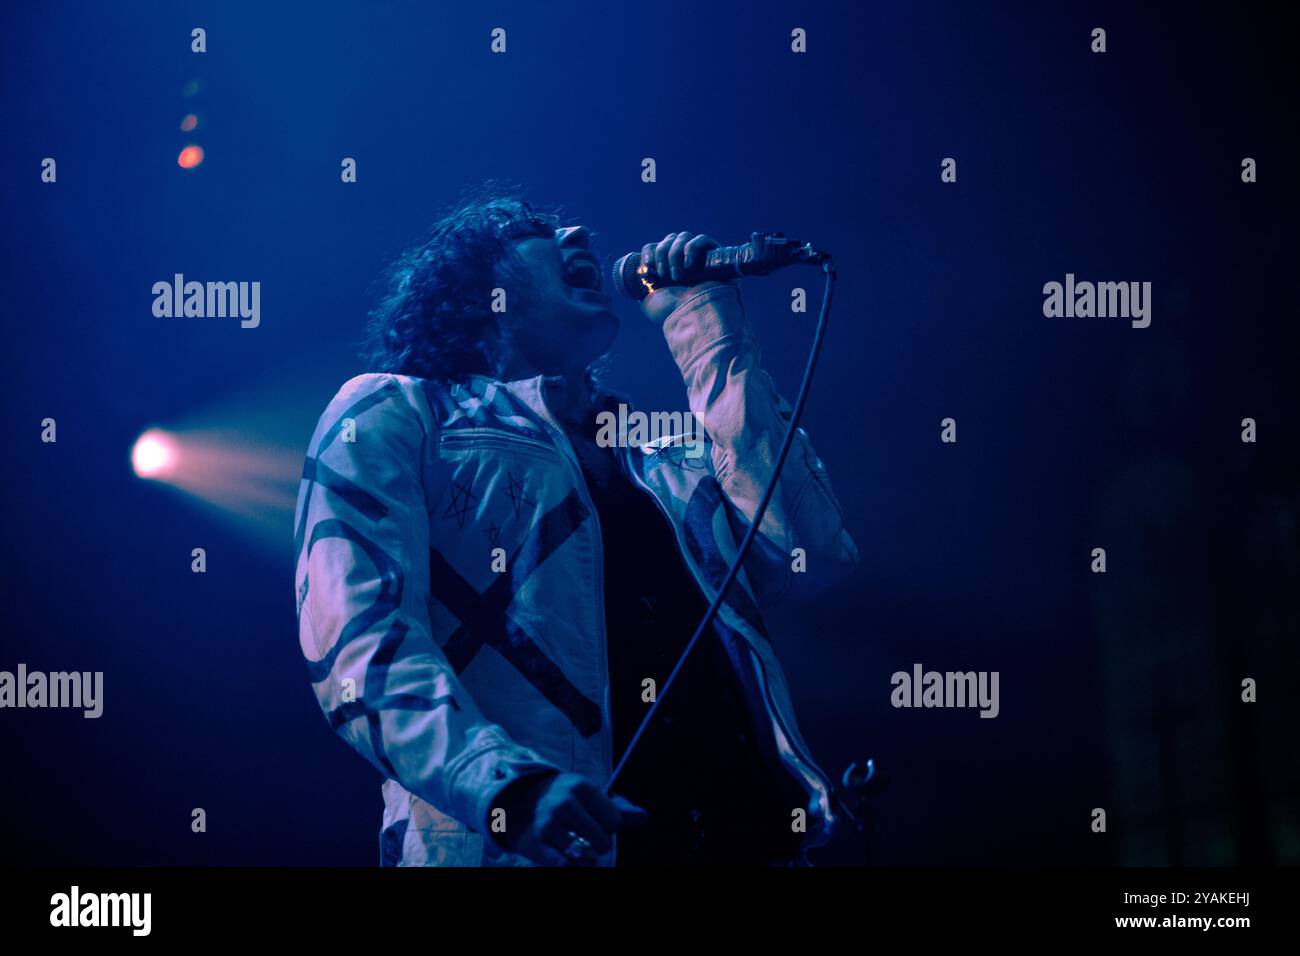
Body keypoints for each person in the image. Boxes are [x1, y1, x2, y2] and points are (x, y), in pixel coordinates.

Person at [292, 189, 858, 865]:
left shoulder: (666, 456)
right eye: (537, 231)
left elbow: (810, 558)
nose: (582, 231)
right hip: (542, 842)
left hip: (748, 842)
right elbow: (355, 637)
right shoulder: (400, 412)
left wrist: (705, 329)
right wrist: (506, 787)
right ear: (477, 293)